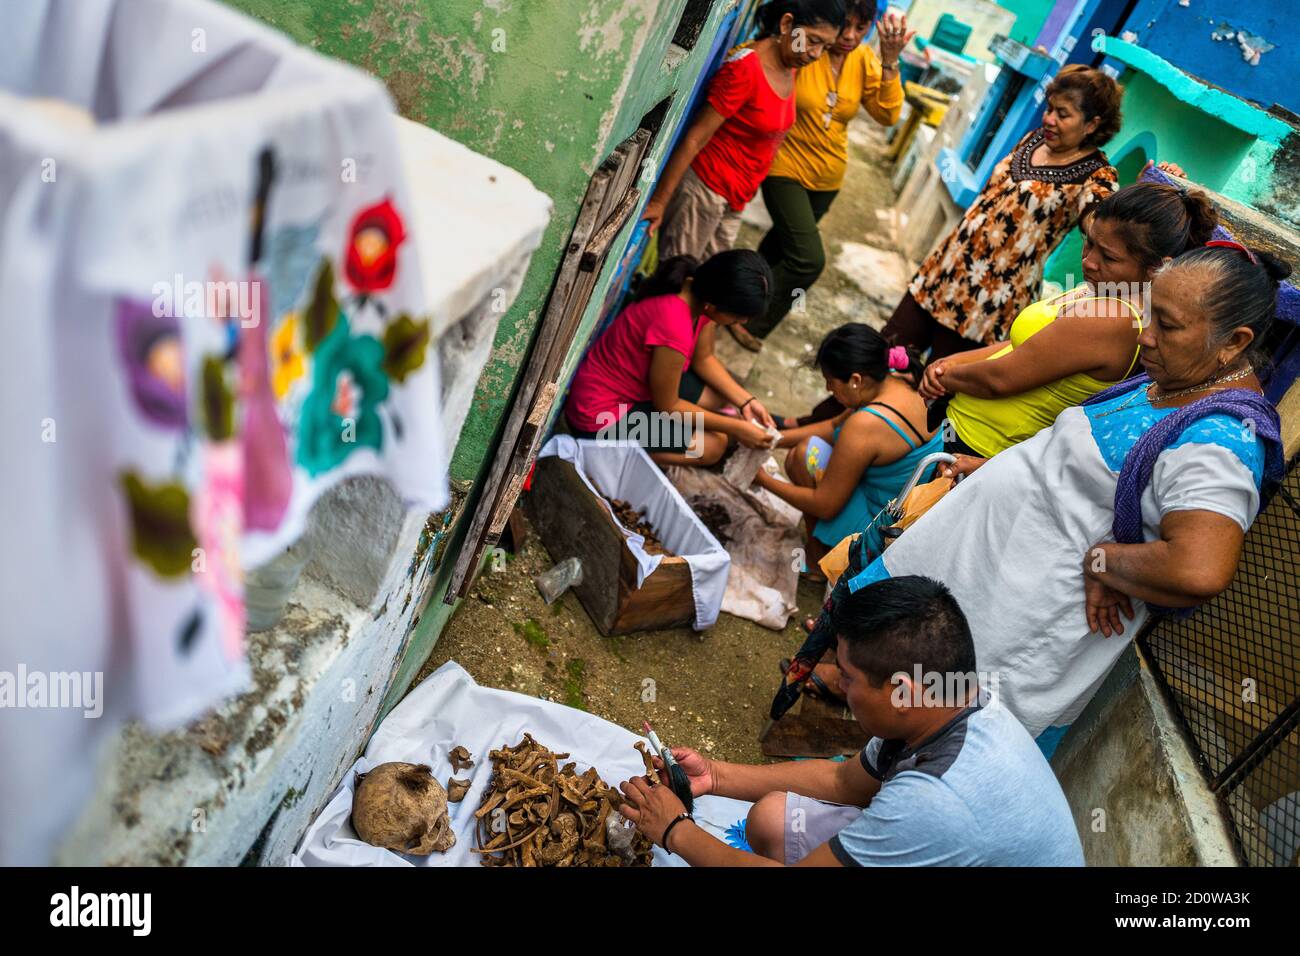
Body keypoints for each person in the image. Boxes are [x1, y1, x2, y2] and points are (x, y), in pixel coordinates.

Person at [786, 243, 1288, 759]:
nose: (1146, 335)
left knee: (937, 738)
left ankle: (860, 805)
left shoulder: (1222, 440)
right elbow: (1082, 474)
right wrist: (994, 470)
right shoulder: (1176, 380)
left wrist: (1104, 561)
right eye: (1149, 313)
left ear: (1234, 342)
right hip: (982, 576)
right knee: (897, 697)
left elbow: (1199, 568)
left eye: (1167, 324)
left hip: (1022, 621)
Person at [618, 576, 1085, 866]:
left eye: (848, 677)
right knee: (771, 820)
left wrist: (675, 831)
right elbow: (845, 782)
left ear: (902, 691)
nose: (839, 687)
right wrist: (715, 776)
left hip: (943, 828)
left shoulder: (933, 804)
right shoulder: (948, 699)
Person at [919, 180, 1218, 457]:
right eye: (1089, 243)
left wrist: (945, 377)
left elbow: (1000, 380)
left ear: (1156, 268)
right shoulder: (1105, 292)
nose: (1088, 261)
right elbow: (1019, 346)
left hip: (977, 447)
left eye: (1109, 257)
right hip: (960, 429)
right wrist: (951, 363)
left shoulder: (1114, 318)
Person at [883, 65, 1123, 360]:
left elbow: (1098, 218)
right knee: (883, 356)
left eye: (1063, 114)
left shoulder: (1097, 175)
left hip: (990, 305)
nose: (1049, 119)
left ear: (1091, 124)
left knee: (935, 387)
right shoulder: (1034, 139)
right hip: (944, 272)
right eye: (1049, 109)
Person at [728, 4, 913, 352]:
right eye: (846, 26)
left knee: (778, 247)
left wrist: (889, 62)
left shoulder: (861, 60)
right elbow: (761, 58)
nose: (850, 36)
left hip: (828, 176)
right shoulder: (807, 46)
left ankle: (737, 298)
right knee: (807, 259)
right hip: (785, 166)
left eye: (862, 28)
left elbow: (887, 114)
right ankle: (747, 317)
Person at [642, 0, 847, 262]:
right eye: (813, 40)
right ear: (787, 24)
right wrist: (660, 201)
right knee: (677, 282)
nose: (816, 54)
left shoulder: (792, 66)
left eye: (826, 47)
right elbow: (696, 137)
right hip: (704, 191)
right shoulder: (745, 68)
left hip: (735, 197)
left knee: (710, 287)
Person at [563, 250, 779, 467]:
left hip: (632, 387)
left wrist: (747, 402)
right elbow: (669, 407)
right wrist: (735, 428)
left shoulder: (695, 288)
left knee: (721, 397)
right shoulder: (675, 327)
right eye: (739, 316)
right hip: (597, 416)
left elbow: (703, 359)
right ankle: (614, 457)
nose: (741, 321)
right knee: (713, 444)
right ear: (715, 304)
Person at [753, 324, 940, 571]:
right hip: (905, 516)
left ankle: (820, 558)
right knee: (806, 448)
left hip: (880, 531)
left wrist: (762, 478)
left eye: (830, 382)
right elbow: (834, 427)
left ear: (855, 380)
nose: (829, 390)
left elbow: (825, 505)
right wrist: (773, 437)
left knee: (803, 455)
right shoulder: (895, 378)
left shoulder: (866, 423)